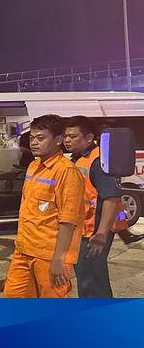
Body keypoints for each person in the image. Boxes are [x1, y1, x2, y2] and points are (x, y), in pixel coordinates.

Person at [3, 115, 84, 298]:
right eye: (32, 138)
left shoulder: (66, 172)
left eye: (40, 138)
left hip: (49, 255)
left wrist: (59, 259)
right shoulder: (33, 166)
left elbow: (68, 220)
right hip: (24, 249)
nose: (34, 143)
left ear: (58, 140)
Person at [64, 116, 141, 297]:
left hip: (92, 232)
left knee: (91, 282)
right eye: (66, 136)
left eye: (73, 136)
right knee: (88, 278)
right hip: (82, 229)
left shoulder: (98, 162)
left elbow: (111, 199)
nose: (67, 140)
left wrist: (101, 234)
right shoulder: (78, 158)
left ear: (89, 138)